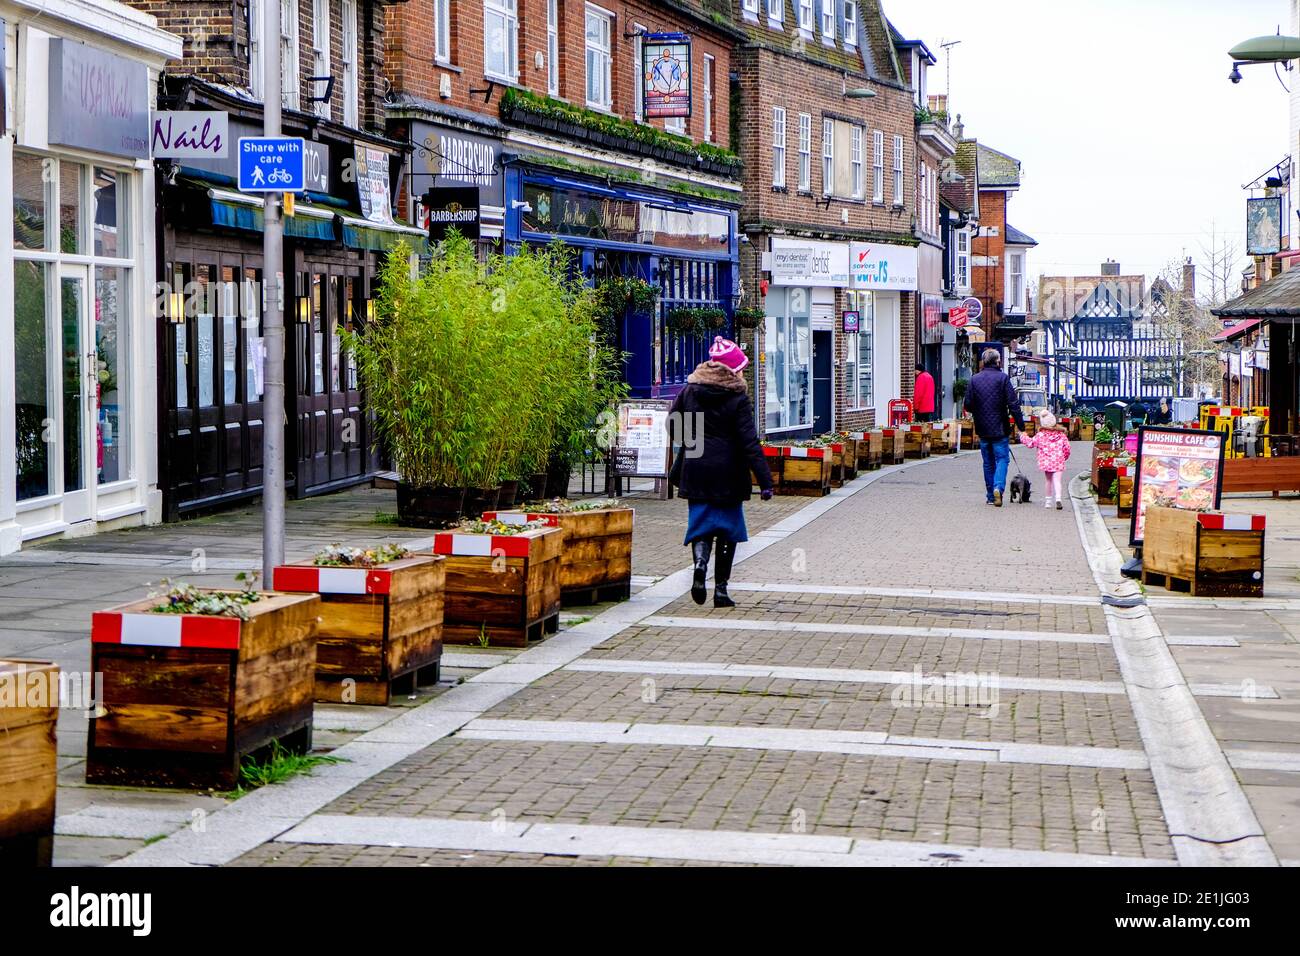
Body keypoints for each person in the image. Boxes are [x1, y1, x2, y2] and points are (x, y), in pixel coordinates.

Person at [668, 336, 774, 608]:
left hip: (697, 468)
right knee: (727, 530)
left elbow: (672, 423)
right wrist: (765, 481)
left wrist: (694, 443)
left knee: (701, 525)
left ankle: (700, 566)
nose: (742, 372)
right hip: (729, 472)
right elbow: (749, 442)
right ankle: (721, 591)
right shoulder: (737, 398)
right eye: (740, 368)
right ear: (731, 369)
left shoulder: (690, 390)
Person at [964, 348, 1025, 507]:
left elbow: (968, 405)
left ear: (983, 361)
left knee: (988, 463)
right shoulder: (1003, 379)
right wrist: (1021, 426)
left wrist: (980, 410)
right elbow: (1013, 404)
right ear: (998, 361)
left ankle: (991, 496)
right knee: (1002, 459)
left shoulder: (974, 379)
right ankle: (998, 487)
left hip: (982, 428)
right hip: (1000, 428)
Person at [1017, 411, 1072, 510]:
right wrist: (1064, 457)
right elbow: (1067, 448)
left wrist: (1022, 436)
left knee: (1048, 481)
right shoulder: (1061, 435)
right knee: (1057, 480)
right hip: (1059, 461)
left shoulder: (1040, 435)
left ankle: (1048, 502)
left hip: (1047, 462)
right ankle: (1058, 499)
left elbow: (1030, 443)